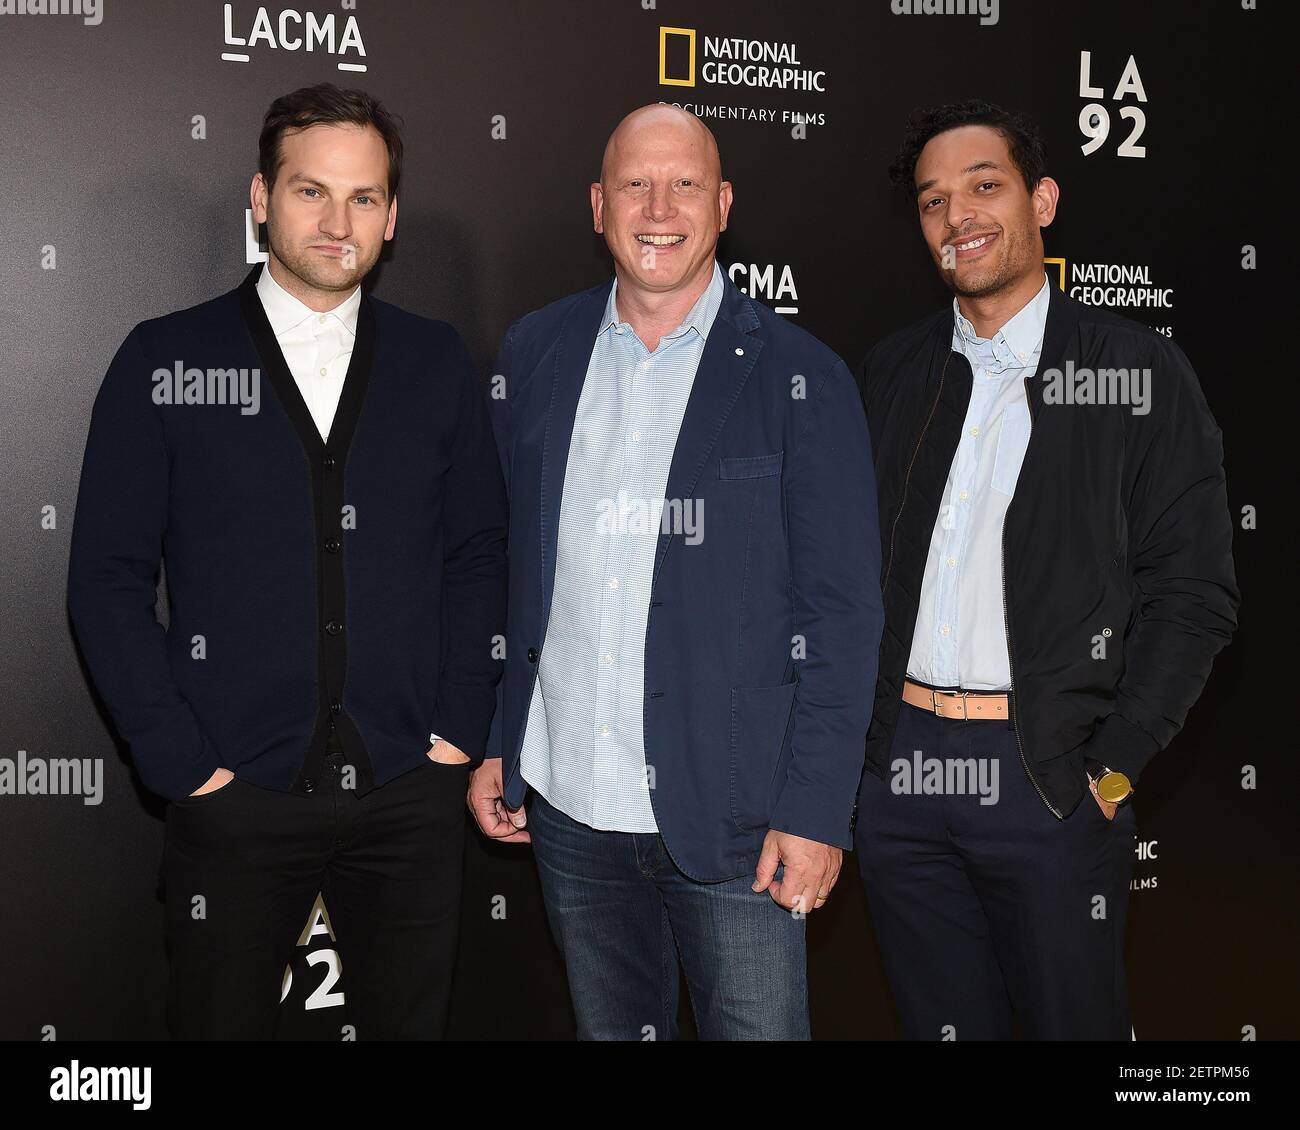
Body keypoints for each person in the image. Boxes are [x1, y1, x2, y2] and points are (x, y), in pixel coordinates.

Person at [67, 83, 506, 1039]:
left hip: (407, 795)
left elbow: (479, 554)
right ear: (261, 198)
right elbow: (104, 580)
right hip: (234, 801)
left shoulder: (436, 365)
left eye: (363, 198)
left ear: (391, 217)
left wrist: (453, 735)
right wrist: (186, 769)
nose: (338, 222)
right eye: (311, 192)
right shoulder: (167, 359)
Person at [468, 104, 882, 1040]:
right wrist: (501, 738)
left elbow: (845, 614)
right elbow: (514, 574)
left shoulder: (801, 375)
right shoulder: (536, 352)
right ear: (597, 205)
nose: (660, 206)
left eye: (685, 183)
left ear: (724, 203)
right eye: (634, 184)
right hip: (569, 806)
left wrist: (817, 809)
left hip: (737, 824)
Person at [855, 100, 1239, 1039]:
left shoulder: (1133, 373)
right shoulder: (894, 372)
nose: (960, 217)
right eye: (934, 200)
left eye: (985, 186)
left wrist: (1111, 769)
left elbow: (1193, 597)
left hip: (1045, 776)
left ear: (1045, 199)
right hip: (900, 779)